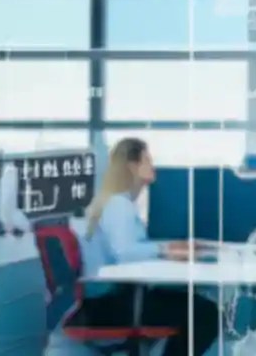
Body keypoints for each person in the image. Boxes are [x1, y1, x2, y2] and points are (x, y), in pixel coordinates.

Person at [72, 138, 219, 356]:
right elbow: (124, 252)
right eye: (147, 160)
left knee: (197, 307)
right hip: (115, 305)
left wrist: (170, 246)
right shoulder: (118, 205)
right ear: (132, 166)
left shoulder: (116, 202)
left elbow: (133, 245)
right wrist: (166, 251)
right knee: (205, 314)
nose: (153, 166)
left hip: (111, 301)